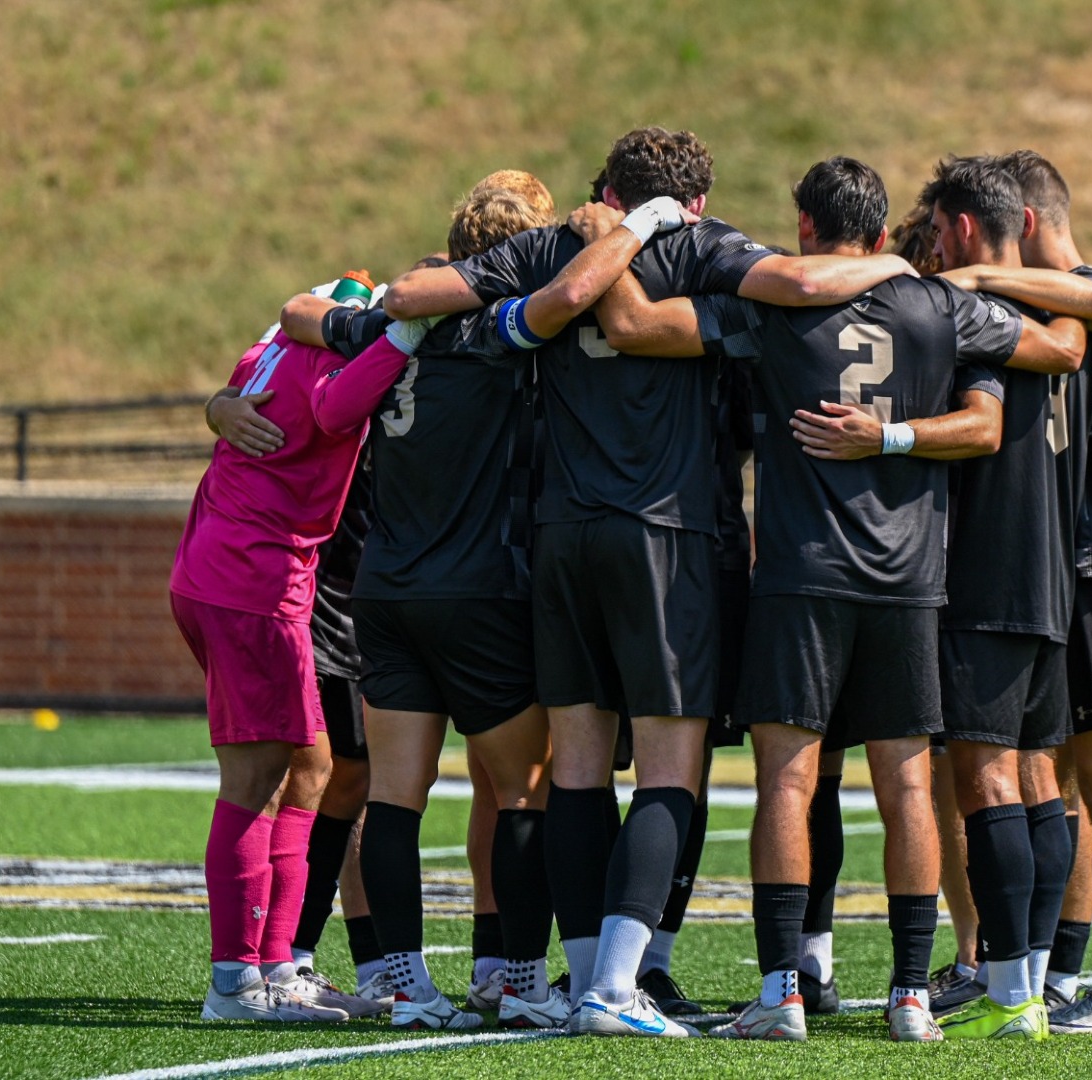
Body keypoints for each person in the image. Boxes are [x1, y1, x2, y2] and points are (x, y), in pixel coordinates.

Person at [383, 127, 917, 1039]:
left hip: (560, 538)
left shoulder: (560, 243)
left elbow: (409, 291)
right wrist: (902, 261)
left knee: (580, 768)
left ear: (609, 191)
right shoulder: (700, 244)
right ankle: (618, 986)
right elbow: (797, 283)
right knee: (673, 767)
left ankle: (584, 973)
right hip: (667, 537)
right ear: (693, 201)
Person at [589, 154, 1084, 1043]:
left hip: (800, 575)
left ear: (807, 228)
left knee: (786, 778)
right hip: (908, 584)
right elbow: (1056, 350)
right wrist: (907, 415)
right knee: (903, 785)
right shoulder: (939, 305)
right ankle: (908, 996)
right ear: (882, 223)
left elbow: (635, 328)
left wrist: (611, 238)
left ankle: (781, 990)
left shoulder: (776, 304)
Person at [279, 185, 701, 1032]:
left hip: (386, 590)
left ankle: (405, 983)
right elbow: (570, 298)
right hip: (479, 592)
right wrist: (642, 222)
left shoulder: (389, 329)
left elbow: (298, 315)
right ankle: (512, 976)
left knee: (396, 794)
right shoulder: (501, 332)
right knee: (526, 793)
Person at [940, 148, 1092, 1036]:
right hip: (1069, 570)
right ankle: (1045, 972)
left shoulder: (1077, 295)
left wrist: (964, 279)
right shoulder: (1040, 323)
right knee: (1050, 781)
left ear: (1021, 227)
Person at [174, 272, 386, 1023]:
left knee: (311, 766)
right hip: (253, 578)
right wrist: (406, 336)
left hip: (234, 569)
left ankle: (276, 965)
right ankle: (238, 979)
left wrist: (217, 408)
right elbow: (334, 402)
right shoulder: (334, 348)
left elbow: (253, 370)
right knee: (260, 773)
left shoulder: (269, 348)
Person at [916, 157, 1090, 1042]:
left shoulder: (976, 313)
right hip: (1053, 579)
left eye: (940, 228)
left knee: (984, 781)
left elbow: (982, 422)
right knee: (1037, 782)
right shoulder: (1073, 306)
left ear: (965, 227)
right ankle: (1049, 982)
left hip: (989, 573)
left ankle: (1010, 992)